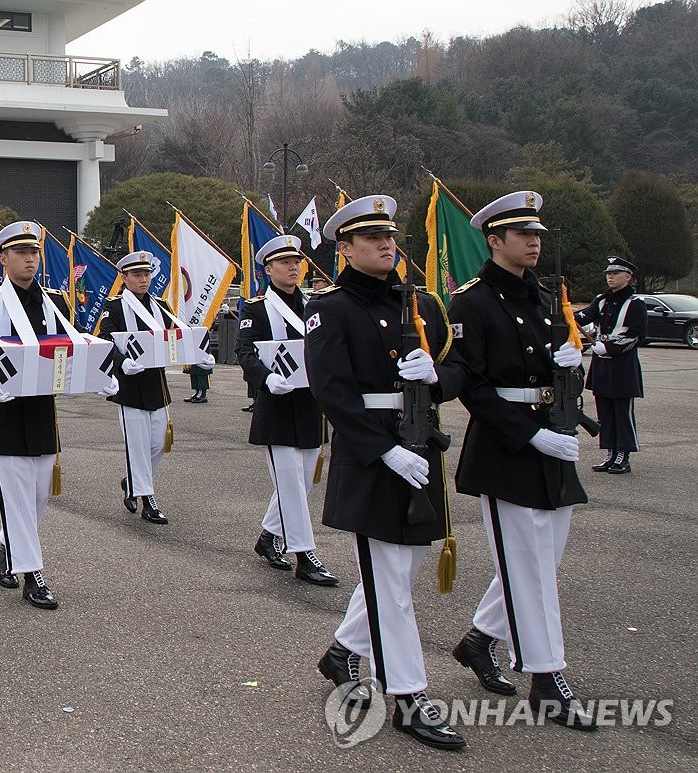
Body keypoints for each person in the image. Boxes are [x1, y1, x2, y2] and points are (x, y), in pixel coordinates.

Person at [305, 195, 468, 750]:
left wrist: (437, 376)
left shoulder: (417, 304)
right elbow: (334, 392)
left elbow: (461, 366)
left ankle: (343, 652)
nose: (386, 244)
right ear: (344, 249)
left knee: (398, 572)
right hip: (373, 455)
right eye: (371, 238)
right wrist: (381, 450)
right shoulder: (330, 309)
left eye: (389, 236)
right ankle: (409, 694)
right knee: (392, 584)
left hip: (420, 444)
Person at [447, 191, 598, 731]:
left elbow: (553, 372)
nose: (534, 242)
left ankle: (482, 638)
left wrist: (573, 363)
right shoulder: (472, 302)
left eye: (537, 234)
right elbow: (476, 387)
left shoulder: (547, 297)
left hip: (554, 441)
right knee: (530, 571)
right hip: (508, 448)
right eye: (521, 234)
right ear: (494, 240)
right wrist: (529, 436)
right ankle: (547, 676)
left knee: (540, 563)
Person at [0, 221, 119, 610]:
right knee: (16, 499)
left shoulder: (55, 302)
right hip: (4, 413)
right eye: (20, 253)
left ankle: (5, 549)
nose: (30, 259)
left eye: (34, 253)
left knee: (38, 497)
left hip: (43, 413)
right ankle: (33, 573)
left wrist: (102, 376)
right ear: (4, 258)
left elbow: (77, 344)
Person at [236, 235, 336, 586]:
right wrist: (265, 379)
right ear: (268, 269)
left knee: (302, 482)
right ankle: (304, 554)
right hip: (277, 407)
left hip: (310, 404)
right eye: (284, 263)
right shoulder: (256, 308)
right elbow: (245, 352)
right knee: (291, 483)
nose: (293, 268)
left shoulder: (315, 304)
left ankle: (268, 536)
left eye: (296, 262)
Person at [97, 250, 207, 524]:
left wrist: (198, 354)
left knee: (157, 444)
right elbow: (104, 340)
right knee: (137, 444)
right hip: (130, 387)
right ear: (125, 278)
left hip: (157, 385)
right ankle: (148, 499)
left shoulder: (161, 306)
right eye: (136, 275)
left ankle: (133, 482)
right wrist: (121, 362)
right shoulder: (114, 307)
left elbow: (176, 337)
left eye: (146, 274)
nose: (143, 280)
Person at [575, 256, 646, 474]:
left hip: (622, 365)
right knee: (604, 411)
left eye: (615, 273)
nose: (610, 277)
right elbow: (585, 317)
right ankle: (610, 452)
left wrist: (610, 348)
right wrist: (566, 312)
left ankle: (623, 454)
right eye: (608, 274)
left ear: (628, 276)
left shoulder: (635, 304)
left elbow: (636, 336)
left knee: (622, 411)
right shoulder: (601, 300)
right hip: (602, 366)